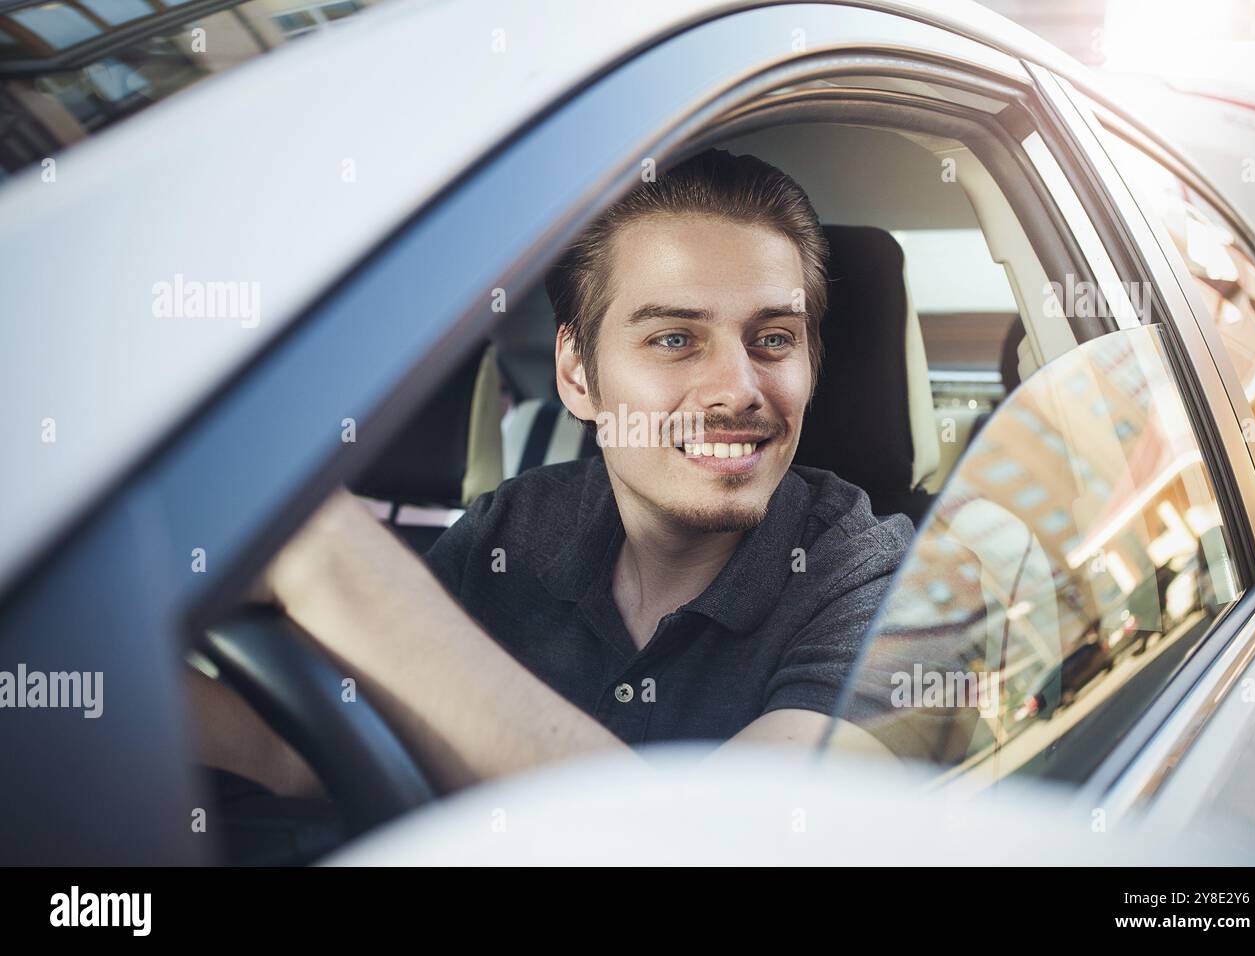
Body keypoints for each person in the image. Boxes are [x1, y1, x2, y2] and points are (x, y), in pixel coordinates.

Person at [191, 148, 913, 795]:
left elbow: (723, 849)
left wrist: (329, 556)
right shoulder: (512, 529)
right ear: (577, 375)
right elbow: (317, 752)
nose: (738, 388)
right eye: (674, 338)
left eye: (774, 339)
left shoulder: (897, 592)